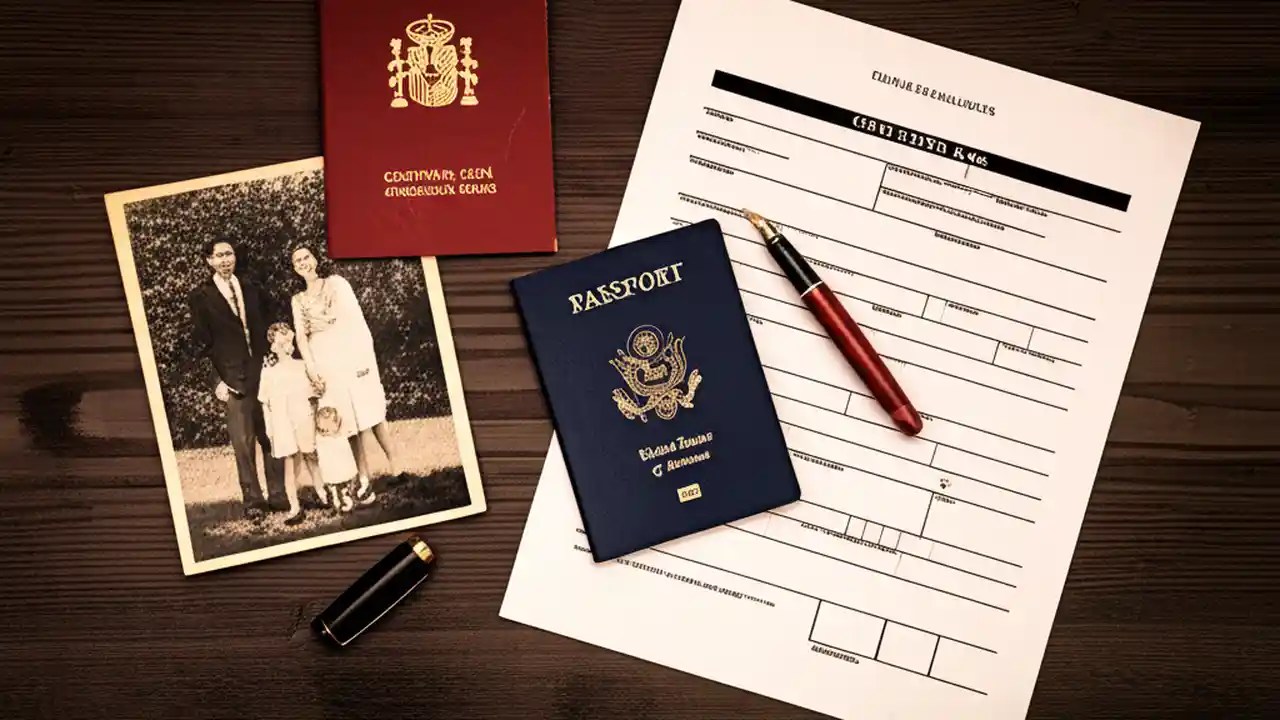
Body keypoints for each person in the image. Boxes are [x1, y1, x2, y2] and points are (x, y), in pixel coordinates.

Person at [289, 246, 398, 503]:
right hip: (324, 360)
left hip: (348, 353)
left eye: (306, 257)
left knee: (367, 410)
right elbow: (302, 339)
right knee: (343, 419)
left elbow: (355, 321)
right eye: (297, 261)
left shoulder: (337, 284)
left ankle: (396, 464)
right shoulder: (298, 300)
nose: (303, 263)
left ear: (315, 259)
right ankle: (362, 478)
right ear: (294, 268)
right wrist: (312, 370)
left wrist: (362, 359)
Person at [188, 238, 286, 519]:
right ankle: (253, 501)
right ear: (209, 260)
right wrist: (216, 382)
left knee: (271, 436)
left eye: (228, 254)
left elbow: (271, 325)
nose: (225, 260)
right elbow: (201, 345)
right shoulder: (201, 297)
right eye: (218, 256)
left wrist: (274, 356)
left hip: (264, 375)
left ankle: (278, 496)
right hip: (232, 381)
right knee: (243, 443)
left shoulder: (252, 288)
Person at [257, 323, 321, 525]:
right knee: (290, 461)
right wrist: (269, 427)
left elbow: (312, 395)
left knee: (310, 455)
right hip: (282, 420)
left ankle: (324, 493)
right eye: (281, 342)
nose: (286, 345)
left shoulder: (301, 366)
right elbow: (265, 402)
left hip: (302, 416)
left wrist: (316, 396)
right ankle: (294, 505)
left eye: (288, 340)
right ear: (273, 346)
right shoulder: (269, 371)